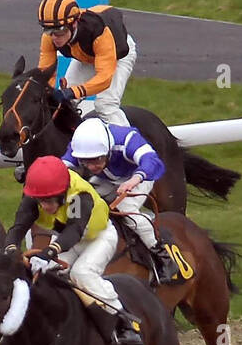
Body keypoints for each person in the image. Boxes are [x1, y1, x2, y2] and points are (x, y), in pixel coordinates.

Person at [5, 155, 146, 345]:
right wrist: (10, 249)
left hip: (98, 237)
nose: (45, 206)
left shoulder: (79, 195)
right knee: (42, 276)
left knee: (82, 273)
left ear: (62, 193)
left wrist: (49, 253)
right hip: (66, 239)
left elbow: (75, 230)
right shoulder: (33, 195)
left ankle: (125, 324)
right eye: (41, 201)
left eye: (50, 200)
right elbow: (18, 226)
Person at [62, 117, 177, 284]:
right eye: (86, 162)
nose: (92, 166)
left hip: (139, 175)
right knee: (82, 202)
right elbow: (60, 166)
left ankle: (163, 256)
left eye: (97, 159)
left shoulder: (127, 139)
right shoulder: (78, 145)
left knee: (125, 207)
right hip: (107, 179)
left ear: (108, 149)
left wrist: (134, 180)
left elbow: (152, 160)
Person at [36, 0, 137, 127]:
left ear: (74, 23)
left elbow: (104, 79)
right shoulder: (50, 37)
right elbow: (45, 73)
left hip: (117, 55)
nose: (54, 37)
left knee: (105, 104)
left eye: (59, 31)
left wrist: (74, 91)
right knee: (60, 105)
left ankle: (129, 143)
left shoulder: (98, 31)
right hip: (86, 56)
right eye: (48, 30)